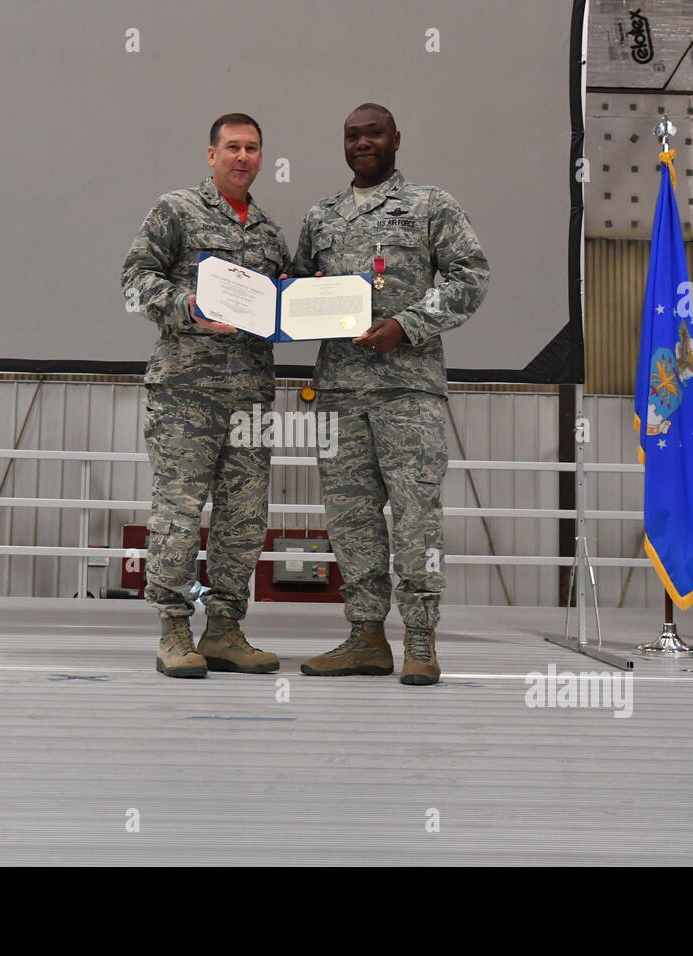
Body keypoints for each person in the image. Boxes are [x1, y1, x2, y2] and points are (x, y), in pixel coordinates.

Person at [291, 103, 489, 686]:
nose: (362, 143)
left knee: (415, 517)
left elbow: (470, 276)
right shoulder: (321, 216)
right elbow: (298, 291)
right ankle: (365, 638)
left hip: (408, 390)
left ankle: (421, 641)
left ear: (396, 138)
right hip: (340, 392)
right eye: (352, 135)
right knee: (350, 521)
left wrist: (408, 324)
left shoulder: (431, 205)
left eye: (373, 133)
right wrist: (297, 298)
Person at [120, 113, 289, 678]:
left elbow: (280, 307)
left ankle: (224, 629)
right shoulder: (176, 210)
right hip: (185, 393)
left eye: (253, 148)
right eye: (233, 147)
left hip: (251, 396)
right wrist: (187, 305)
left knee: (244, 517)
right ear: (211, 155)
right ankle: (173, 629)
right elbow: (136, 277)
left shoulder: (269, 233)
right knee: (179, 511)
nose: (243, 156)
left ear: (262, 158)